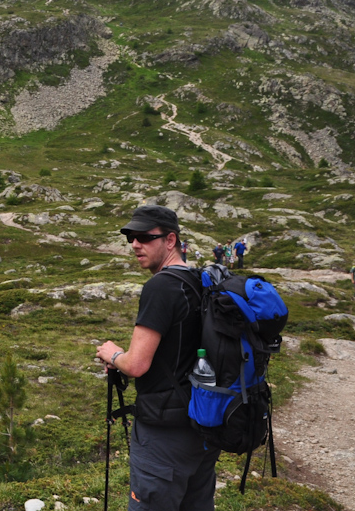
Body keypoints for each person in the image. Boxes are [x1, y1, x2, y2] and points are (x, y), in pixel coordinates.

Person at [96, 204, 219, 511]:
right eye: (131, 238)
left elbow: (137, 364)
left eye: (144, 237)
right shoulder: (198, 280)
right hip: (202, 426)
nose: (135, 244)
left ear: (170, 240)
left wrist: (113, 354)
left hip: (164, 434)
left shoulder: (160, 287)